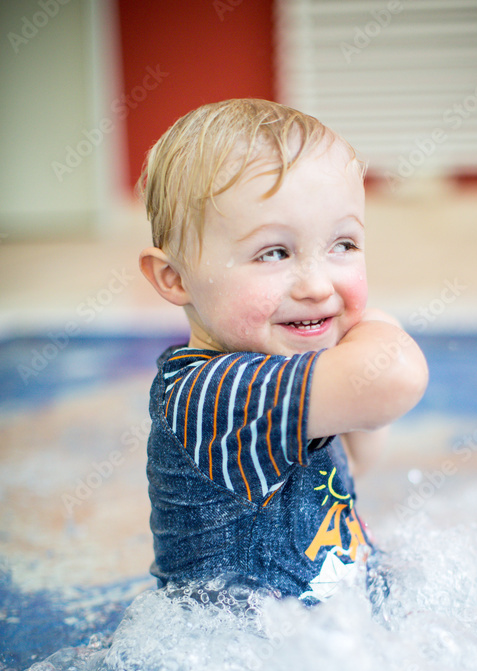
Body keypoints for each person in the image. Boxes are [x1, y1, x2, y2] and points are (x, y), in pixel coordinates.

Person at [138, 98, 428, 605]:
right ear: (174, 277)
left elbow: (359, 457)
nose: (318, 286)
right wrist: (375, 325)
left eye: (343, 244)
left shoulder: (288, 375)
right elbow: (395, 378)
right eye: (274, 252)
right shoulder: (212, 397)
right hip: (235, 669)